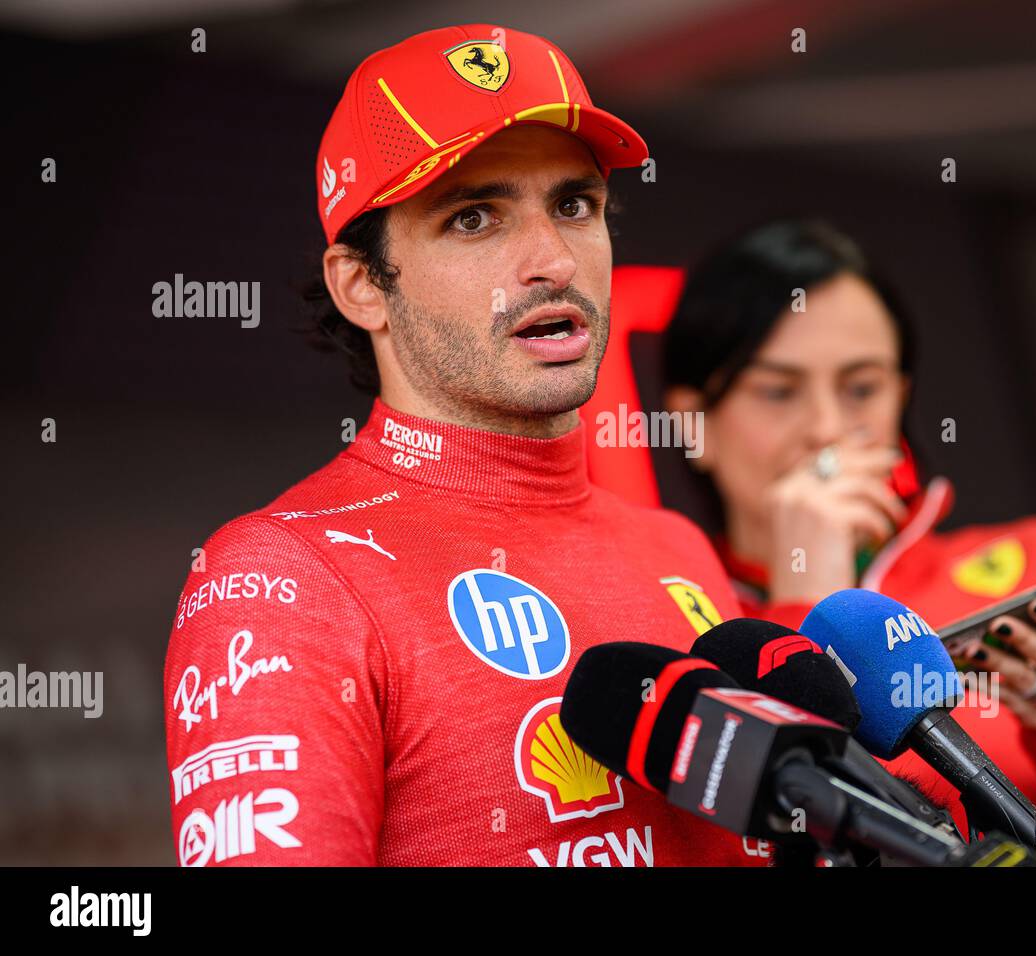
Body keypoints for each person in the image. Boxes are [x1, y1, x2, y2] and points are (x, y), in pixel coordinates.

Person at [162, 25, 759, 867]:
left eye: (574, 206)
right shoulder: (280, 580)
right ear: (363, 285)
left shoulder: (677, 548)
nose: (552, 260)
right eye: (474, 218)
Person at [661, 219, 1036, 865]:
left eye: (861, 388)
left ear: (901, 397)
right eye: (779, 390)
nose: (825, 427)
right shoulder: (665, 608)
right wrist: (808, 608)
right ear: (691, 421)